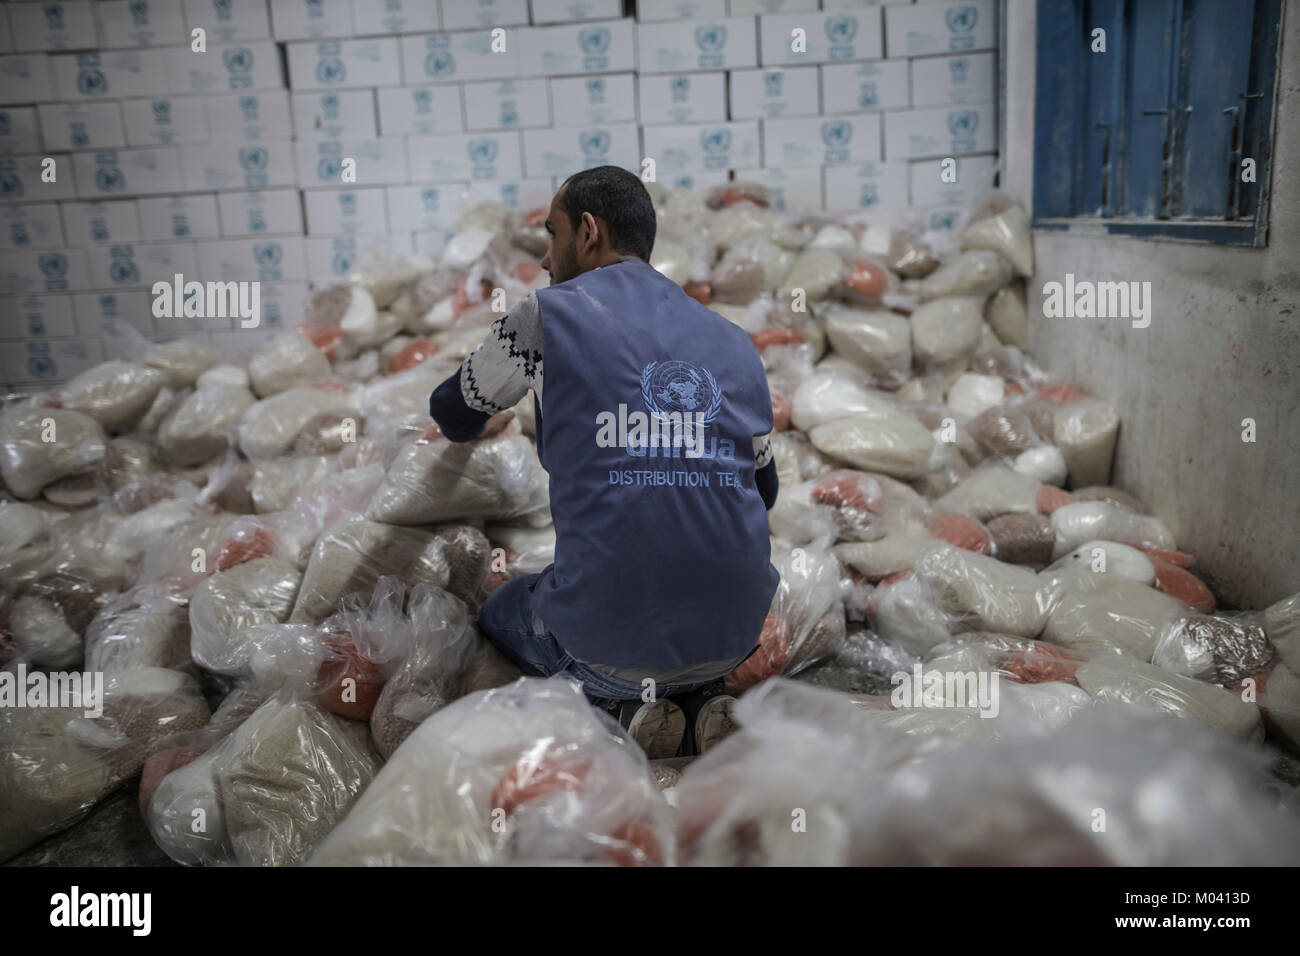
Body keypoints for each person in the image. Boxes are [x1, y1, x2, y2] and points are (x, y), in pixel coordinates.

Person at [429, 166, 780, 757]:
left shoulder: (548, 316)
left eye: (552, 234)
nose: (545, 259)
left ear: (587, 232)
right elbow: (763, 490)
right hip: (735, 633)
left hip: (605, 644)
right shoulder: (734, 339)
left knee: (500, 608)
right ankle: (698, 700)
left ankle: (616, 704)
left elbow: (453, 411)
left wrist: (504, 414)